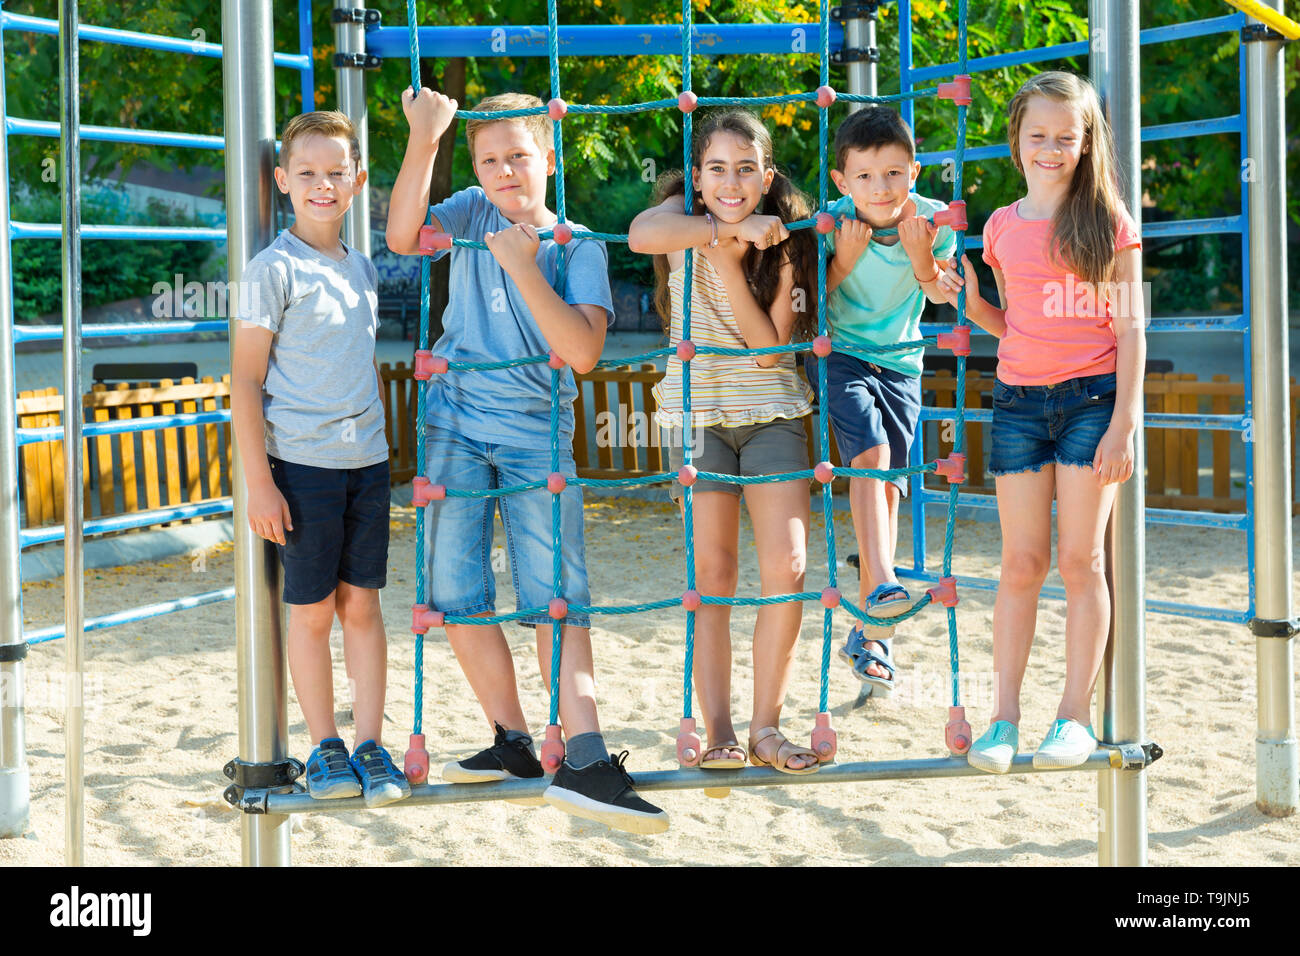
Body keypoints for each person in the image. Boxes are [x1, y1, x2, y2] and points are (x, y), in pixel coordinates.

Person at [387, 87, 669, 834]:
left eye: (519, 155)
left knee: (552, 591)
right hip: (453, 419)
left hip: (533, 434)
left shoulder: (578, 248)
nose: (505, 170)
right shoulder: (472, 215)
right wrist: (426, 138)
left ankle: (583, 753)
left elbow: (579, 352)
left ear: (549, 155)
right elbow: (400, 234)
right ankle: (513, 738)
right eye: (488, 160)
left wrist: (522, 268)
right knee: (451, 589)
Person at [935, 71, 1143, 772]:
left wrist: (1124, 423)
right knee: (1023, 562)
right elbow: (1008, 324)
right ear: (1017, 141)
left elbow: (1134, 331)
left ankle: (1074, 718)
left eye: (1066, 137)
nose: (1051, 148)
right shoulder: (999, 227)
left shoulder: (1109, 221)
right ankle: (1003, 721)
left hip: (1092, 403)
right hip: (1019, 402)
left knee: (1082, 560)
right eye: (1038, 136)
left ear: (1085, 145)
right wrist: (959, 300)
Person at [628, 109, 823, 775]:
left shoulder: (791, 241)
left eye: (746, 169)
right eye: (718, 169)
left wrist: (732, 260)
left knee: (786, 567)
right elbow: (637, 233)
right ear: (697, 178)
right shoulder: (685, 223)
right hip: (699, 417)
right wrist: (722, 230)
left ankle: (766, 725)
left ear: (767, 177)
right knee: (711, 576)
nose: (732, 180)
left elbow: (771, 352)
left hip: (770, 413)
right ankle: (719, 729)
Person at [231, 110, 410, 808]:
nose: (323, 184)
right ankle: (325, 745)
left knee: (361, 604)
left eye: (336, 172)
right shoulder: (268, 269)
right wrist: (260, 484)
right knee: (310, 612)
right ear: (282, 182)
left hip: (365, 464)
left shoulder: (361, 267)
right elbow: (244, 381)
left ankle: (370, 743)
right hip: (299, 469)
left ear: (359, 181)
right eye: (306, 172)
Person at [817, 106, 956, 698]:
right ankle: (881, 584)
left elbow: (944, 294)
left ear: (915, 172)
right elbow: (803, 296)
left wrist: (924, 260)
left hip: (901, 362)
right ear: (843, 181)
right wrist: (843, 260)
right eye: (867, 176)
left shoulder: (932, 221)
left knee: (893, 488)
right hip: (842, 355)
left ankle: (869, 635)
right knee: (871, 458)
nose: (882, 188)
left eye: (895, 174)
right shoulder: (831, 224)